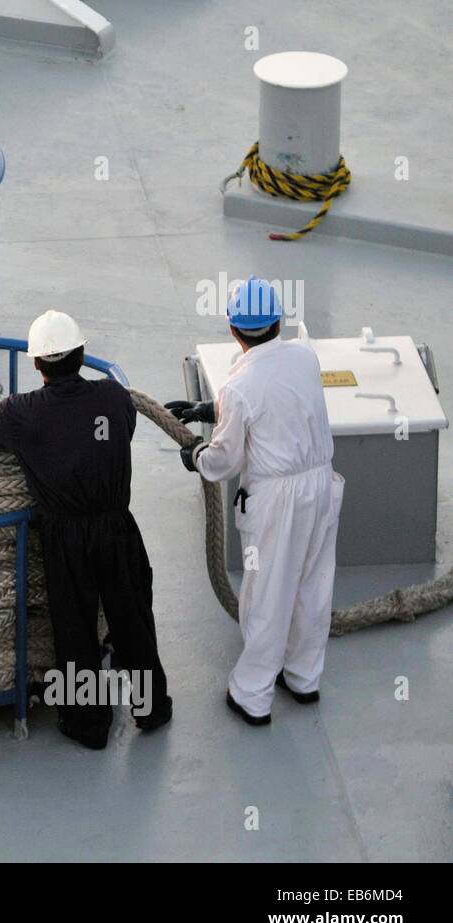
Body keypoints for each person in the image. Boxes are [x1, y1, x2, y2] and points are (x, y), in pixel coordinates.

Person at [0, 310, 172, 749]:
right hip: (118, 527)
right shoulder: (113, 397)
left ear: (36, 365)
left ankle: (87, 724)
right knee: (132, 617)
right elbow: (124, 429)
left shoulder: (22, 413)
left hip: (66, 539)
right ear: (81, 353)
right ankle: (152, 707)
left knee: (74, 630)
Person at [169, 276, 343, 726]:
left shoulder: (239, 385)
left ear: (233, 330)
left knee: (267, 592)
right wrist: (211, 409)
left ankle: (252, 695)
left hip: (277, 501)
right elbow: (283, 403)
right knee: (311, 583)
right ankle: (303, 677)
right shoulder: (304, 357)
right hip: (321, 484)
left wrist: (196, 456)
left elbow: (225, 460)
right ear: (279, 322)